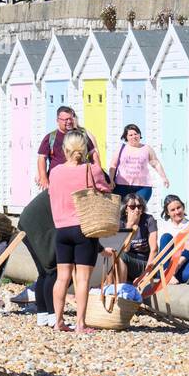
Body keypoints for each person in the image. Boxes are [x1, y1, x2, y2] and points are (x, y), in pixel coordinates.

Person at [49, 130, 113, 334]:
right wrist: (96, 155)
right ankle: (80, 324)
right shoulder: (91, 170)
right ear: (84, 149)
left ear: (65, 149)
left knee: (62, 278)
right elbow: (106, 188)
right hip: (85, 227)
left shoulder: (55, 171)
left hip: (61, 229)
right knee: (82, 279)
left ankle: (58, 321)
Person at [19, 188, 58, 327]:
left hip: (29, 221)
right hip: (38, 224)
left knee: (44, 271)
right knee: (52, 269)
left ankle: (43, 315)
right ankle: (53, 315)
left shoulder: (65, 176)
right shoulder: (77, 184)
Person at [36, 105, 98, 191]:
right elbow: (41, 158)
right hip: (57, 182)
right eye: (66, 120)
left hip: (79, 180)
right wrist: (43, 178)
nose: (69, 122)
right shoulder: (50, 138)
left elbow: (93, 153)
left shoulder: (81, 135)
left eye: (71, 119)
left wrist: (97, 171)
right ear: (57, 120)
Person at [105, 123, 170, 203]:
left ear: (139, 135)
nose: (134, 136)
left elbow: (156, 163)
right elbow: (113, 166)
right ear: (126, 137)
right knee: (123, 211)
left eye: (136, 134)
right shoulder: (121, 148)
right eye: (131, 135)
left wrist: (164, 178)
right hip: (122, 186)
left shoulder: (146, 148)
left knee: (139, 208)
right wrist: (111, 180)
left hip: (143, 187)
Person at [103, 193, 156, 286]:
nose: (136, 210)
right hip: (125, 262)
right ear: (126, 209)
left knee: (121, 255)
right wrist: (130, 225)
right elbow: (125, 249)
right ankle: (109, 289)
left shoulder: (149, 220)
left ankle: (122, 289)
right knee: (113, 254)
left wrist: (147, 272)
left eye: (139, 206)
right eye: (132, 207)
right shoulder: (121, 222)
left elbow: (154, 249)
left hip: (144, 263)